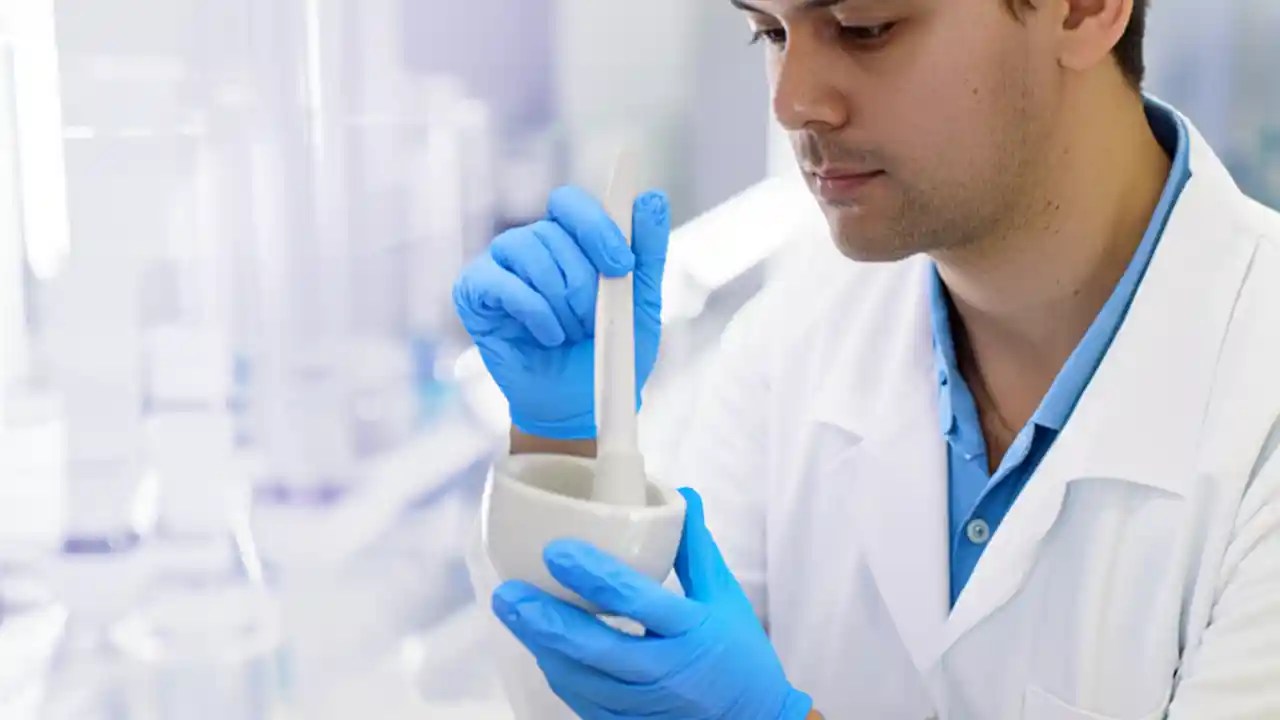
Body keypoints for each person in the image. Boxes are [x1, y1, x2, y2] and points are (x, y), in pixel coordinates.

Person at [453, 0, 1280, 717]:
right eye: (770, 33)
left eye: (865, 28)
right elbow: (608, 686)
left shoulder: (1258, 396)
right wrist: (568, 444)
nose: (792, 103)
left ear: (1083, 9)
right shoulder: (790, 344)